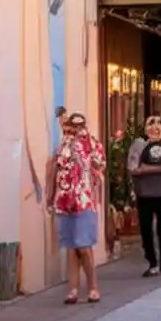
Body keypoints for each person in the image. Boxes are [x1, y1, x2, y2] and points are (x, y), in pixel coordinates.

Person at [46, 112, 105, 304]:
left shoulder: (93, 144)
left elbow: (99, 167)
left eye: (79, 126)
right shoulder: (62, 147)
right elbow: (54, 170)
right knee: (71, 246)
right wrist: (50, 197)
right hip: (64, 200)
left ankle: (93, 287)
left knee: (84, 246)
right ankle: (72, 288)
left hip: (84, 200)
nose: (76, 130)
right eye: (73, 126)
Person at [129, 115, 161, 277]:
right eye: (151, 124)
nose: (155, 128)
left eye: (158, 125)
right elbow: (133, 168)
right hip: (144, 193)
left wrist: (145, 169)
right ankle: (152, 262)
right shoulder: (138, 145)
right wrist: (156, 168)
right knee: (146, 230)